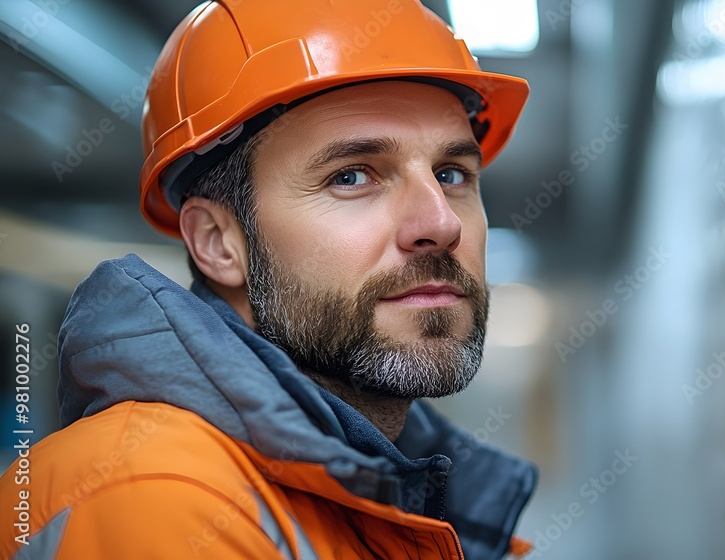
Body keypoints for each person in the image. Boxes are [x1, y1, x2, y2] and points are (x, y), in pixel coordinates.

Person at [0, 1, 537, 558]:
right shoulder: (153, 496)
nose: (442, 223)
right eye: (352, 176)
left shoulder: (399, 503)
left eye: (451, 174)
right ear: (218, 241)